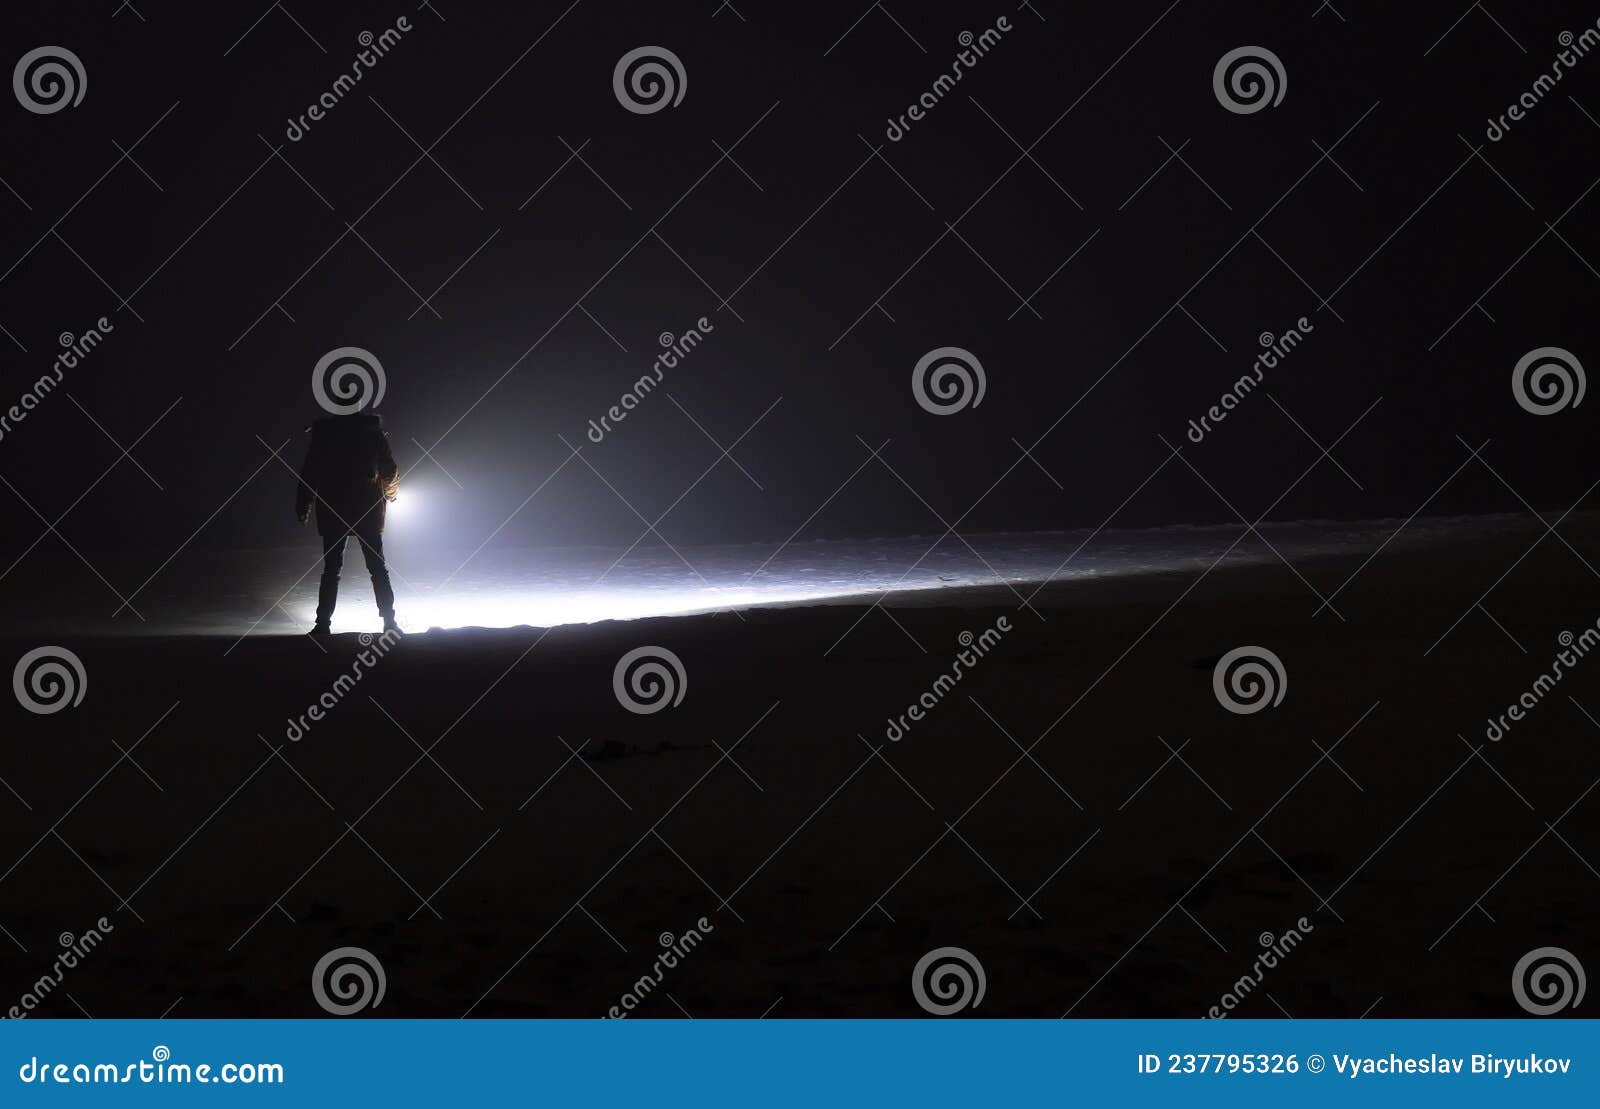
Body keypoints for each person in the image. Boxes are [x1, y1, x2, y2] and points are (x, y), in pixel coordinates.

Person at [295, 411, 400, 636]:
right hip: (368, 509)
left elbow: (310, 473)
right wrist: (391, 494)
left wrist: (303, 504)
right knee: (377, 567)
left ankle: (323, 624)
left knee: (331, 569)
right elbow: (389, 469)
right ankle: (389, 621)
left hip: (333, 509)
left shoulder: (325, 435)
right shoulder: (373, 433)